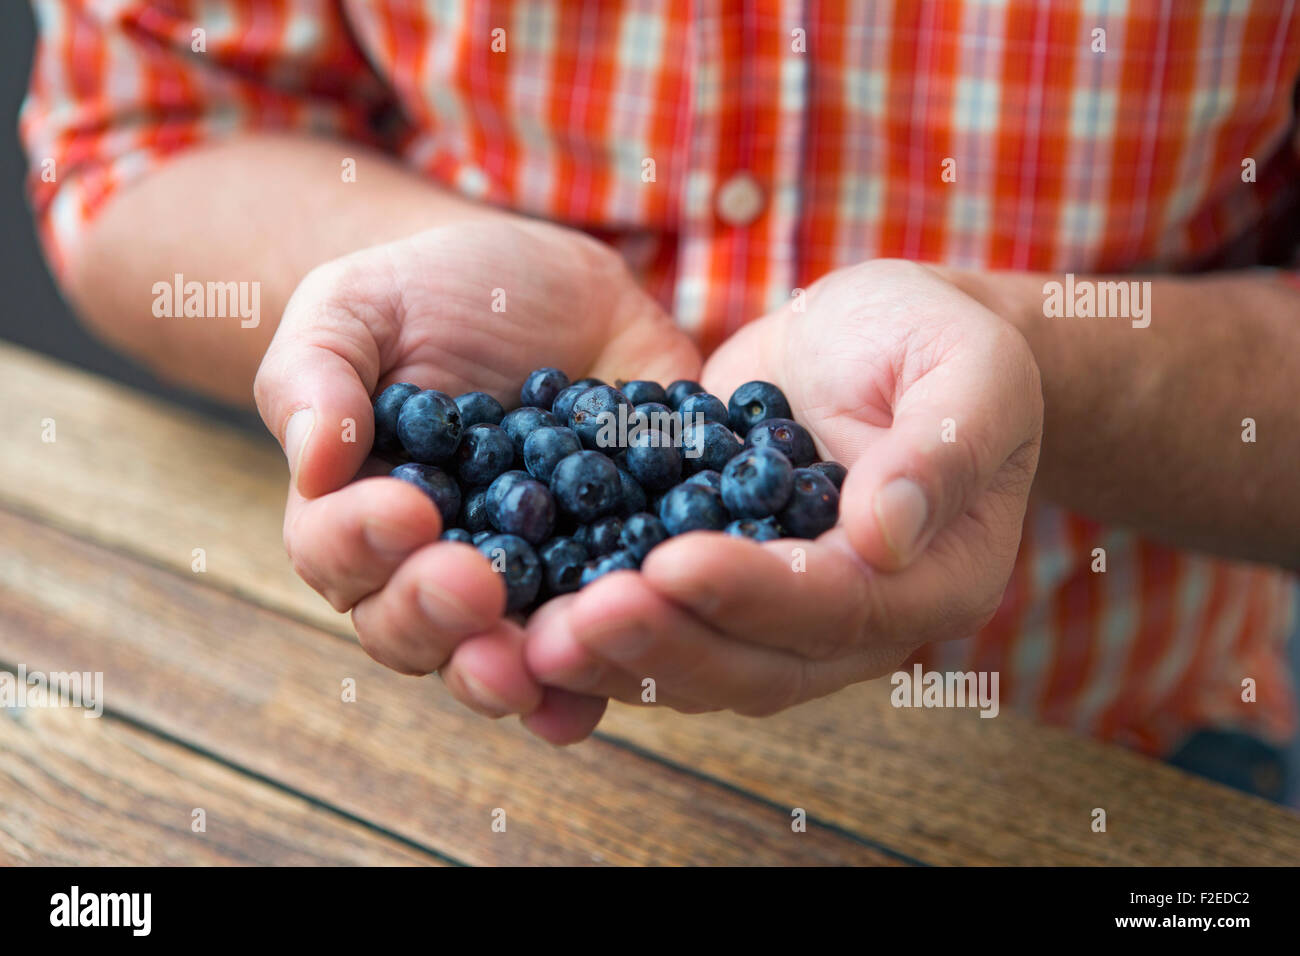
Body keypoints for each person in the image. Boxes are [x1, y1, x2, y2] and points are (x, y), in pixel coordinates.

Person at [21, 2, 1300, 788]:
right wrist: (375, 290)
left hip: (1116, 773)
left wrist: (1024, 361)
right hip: (430, 771)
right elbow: (136, 128)